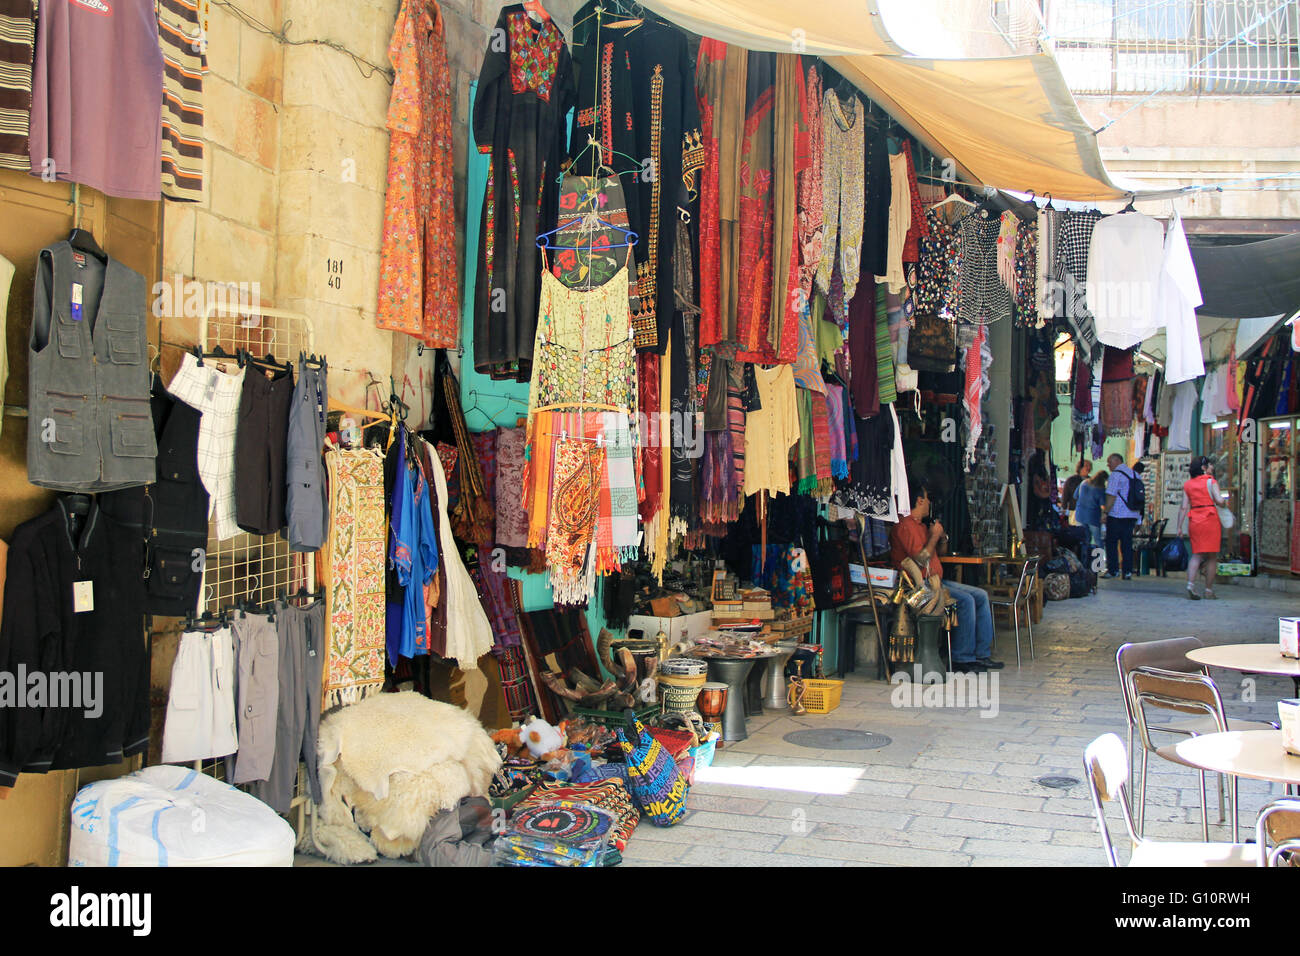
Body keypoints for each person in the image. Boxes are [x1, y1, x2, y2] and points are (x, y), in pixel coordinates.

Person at [889, 483, 1003, 674]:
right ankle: (962, 658)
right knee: (966, 600)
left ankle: (981, 654)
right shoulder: (905, 526)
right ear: (919, 500)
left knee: (981, 595)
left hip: (936, 580)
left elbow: (939, 553)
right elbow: (921, 558)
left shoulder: (921, 526)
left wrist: (941, 538)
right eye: (928, 499)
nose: (930, 503)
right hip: (919, 586)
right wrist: (933, 536)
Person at [1177, 455, 1228, 600]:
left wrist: (1179, 527)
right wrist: (1224, 503)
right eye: (1210, 465)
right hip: (1210, 519)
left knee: (1197, 555)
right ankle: (1208, 590)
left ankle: (1190, 585)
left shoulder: (1188, 485)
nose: (1212, 467)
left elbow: (1183, 507)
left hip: (1195, 519)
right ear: (1203, 468)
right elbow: (1218, 500)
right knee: (1212, 556)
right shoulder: (1211, 481)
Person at [1103, 453, 1141, 580]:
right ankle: (1127, 571)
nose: (1108, 465)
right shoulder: (1135, 475)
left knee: (1112, 542)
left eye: (1109, 462)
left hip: (1117, 514)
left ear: (1117, 461)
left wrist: (1105, 512)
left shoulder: (1116, 475)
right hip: (1132, 514)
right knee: (1127, 543)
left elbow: (1111, 495)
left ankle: (1113, 570)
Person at [1074, 469, 1107, 561]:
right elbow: (1103, 505)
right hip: (1093, 517)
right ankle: (1099, 563)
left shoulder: (1083, 483)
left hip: (1080, 515)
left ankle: (1083, 561)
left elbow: (1075, 496)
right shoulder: (1100, 489)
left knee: (1084, 540)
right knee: (1098, 540)